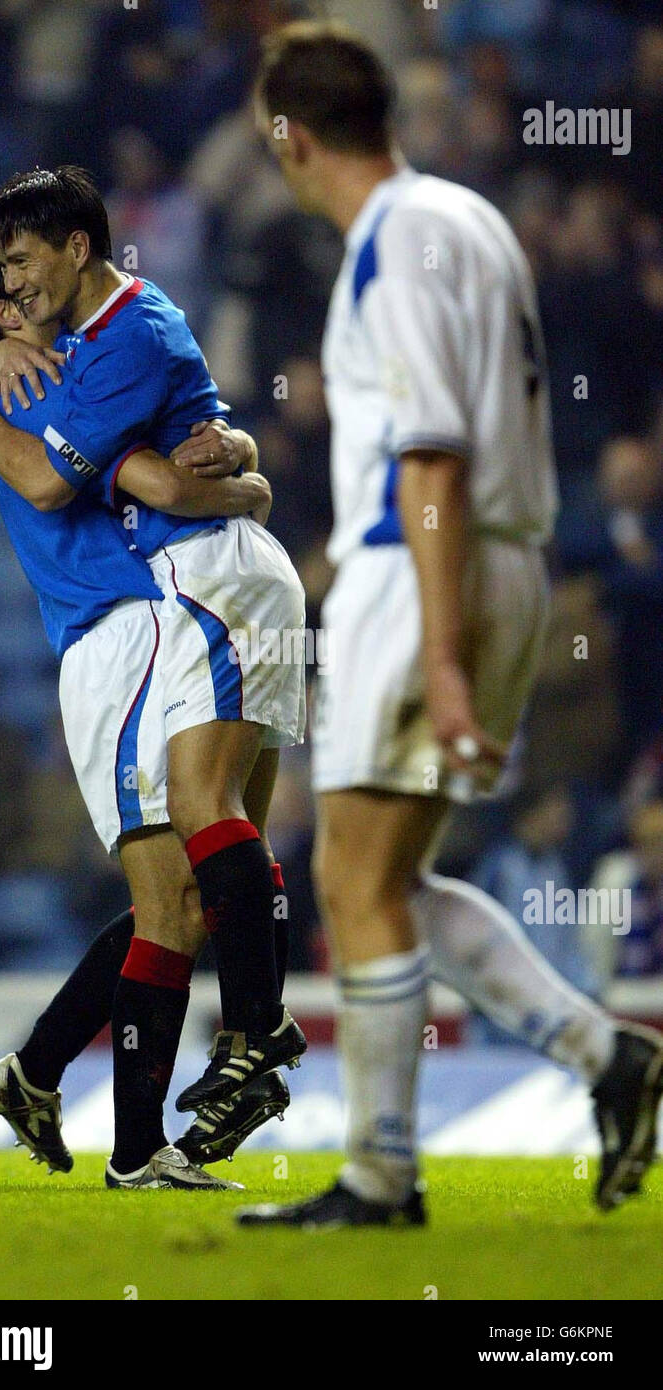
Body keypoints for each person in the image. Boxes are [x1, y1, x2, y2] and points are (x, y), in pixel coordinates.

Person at [238, 21, 663, 1226]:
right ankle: (606, 1056)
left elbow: (430, 451)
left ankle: (381, 1174)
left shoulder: (396, 240)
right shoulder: (468, 217)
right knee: (386, 868)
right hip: (500, 560)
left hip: (432, 566)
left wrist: (436, 647)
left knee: (351, 871)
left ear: (291, 136)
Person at [0, 168, 307, 1183]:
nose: (20, 305)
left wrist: (243, 465)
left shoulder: (100, 351)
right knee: (183, 891)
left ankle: (150, 1097)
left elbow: (160, 458)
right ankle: (221, 1058)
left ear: (72, 250)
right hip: (118, 627)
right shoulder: (33, 380)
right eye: (3, 297)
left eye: (25, 279)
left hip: (163, 611)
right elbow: (106, 476)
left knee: (186, 891)